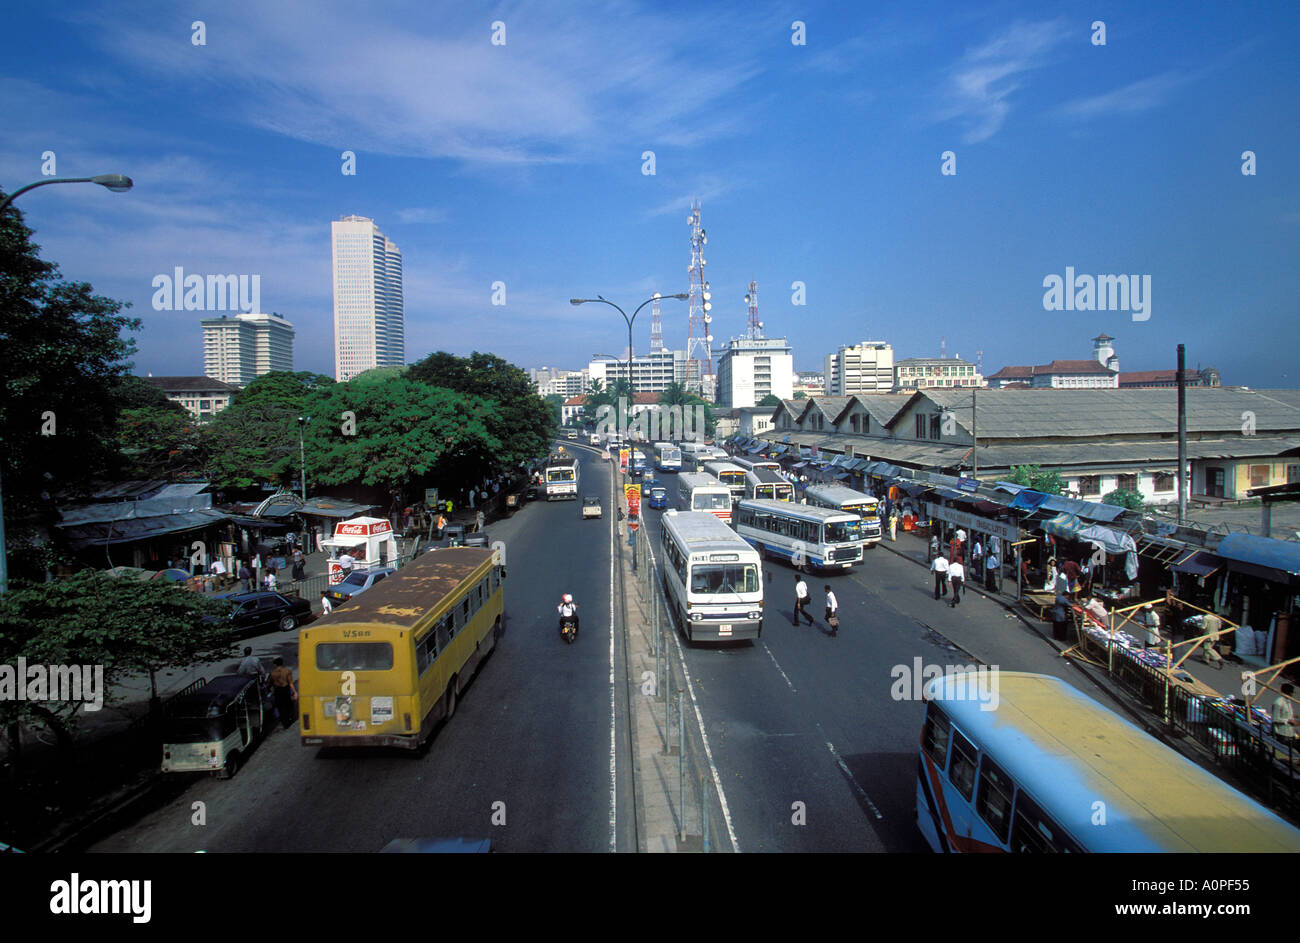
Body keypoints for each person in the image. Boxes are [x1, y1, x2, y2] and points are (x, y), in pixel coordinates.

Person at [268, 657, 298, 729]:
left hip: (278, 691)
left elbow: (269, 684)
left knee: (280, 707)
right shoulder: (287, 671)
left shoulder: (272, 673)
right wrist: (295, 692)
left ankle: (284, 722)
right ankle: (289, 719)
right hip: (286, 690)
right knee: (288, 705)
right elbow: (291, 683)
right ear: (282, 663)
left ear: (275, 664)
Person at [1273, 683, 1296, 759]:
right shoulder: (1278, 703)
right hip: (1282, 734)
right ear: (1289, 693)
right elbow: (1275, 719)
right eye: (1292, 692)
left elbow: (1286, 714)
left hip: (1290, 733)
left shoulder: (1288, 702)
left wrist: (1295, 717)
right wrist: (1289, 721)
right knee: (1285, 754)